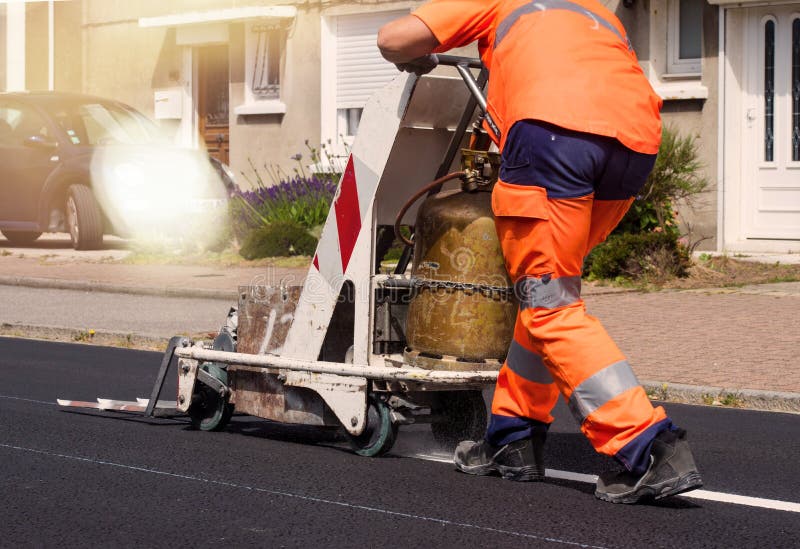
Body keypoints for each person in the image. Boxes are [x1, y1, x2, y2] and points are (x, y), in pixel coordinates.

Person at [378, 0, 703, 504]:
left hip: (553, 133)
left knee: (550, 304)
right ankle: (512, 437)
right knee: (546, 293)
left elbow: (394, 39)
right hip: (634, 141)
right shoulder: (594, 9)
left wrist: (421, 54)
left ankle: (647, 447)